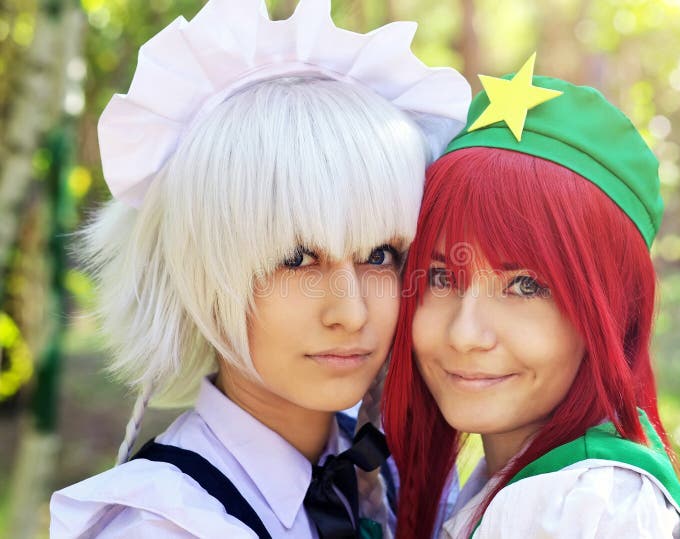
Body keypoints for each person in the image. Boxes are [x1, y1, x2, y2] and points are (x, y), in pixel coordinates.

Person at [49, 0, 470, 537]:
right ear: (204, 270)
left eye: (380, 256)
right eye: (296, 259)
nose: (350, 311)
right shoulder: (166, 525)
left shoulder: (394, 472)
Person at [383, 53, 680, 538]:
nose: (465, 334)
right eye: (441, 278)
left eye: (525, 285)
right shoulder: (528, 487)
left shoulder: (583, 510)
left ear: (610, 310)